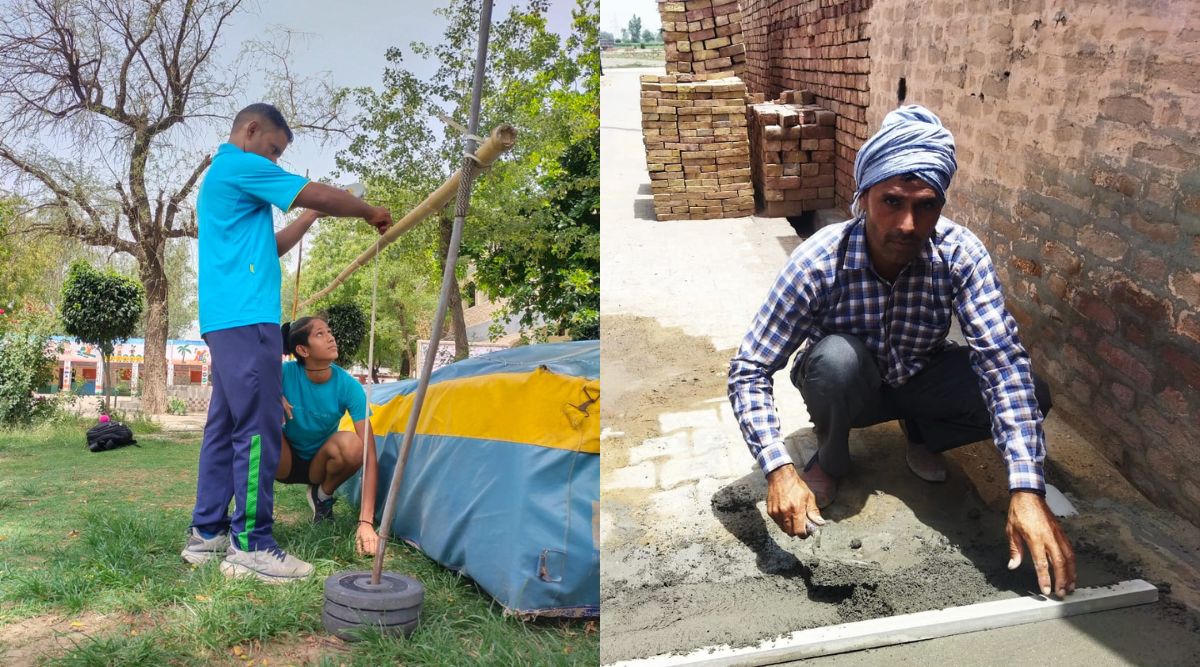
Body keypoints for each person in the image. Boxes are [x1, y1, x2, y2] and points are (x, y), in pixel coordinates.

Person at [727, 105, 1076, 599]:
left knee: (1032, 392)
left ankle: (924, 435)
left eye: (926, 205)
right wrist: (777, 468)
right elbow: (750, 368)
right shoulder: (819, 259)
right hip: (852, 384)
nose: (908, 224)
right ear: (864, 196)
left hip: (919, 371)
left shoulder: (959, 253)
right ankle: (829, 458)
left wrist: (1026, 488)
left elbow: (1002, 361)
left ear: (940, 205)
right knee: (835, 361)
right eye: (891, 201)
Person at [181, 102, 393, 583]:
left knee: (224, 425)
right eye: (273, 151)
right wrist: (367, 211)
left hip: (225, 319)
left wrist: (312, 215)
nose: (272, 162)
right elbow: (311, 190)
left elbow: (274, 243)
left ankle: (208, 534)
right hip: (248, 318)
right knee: (257, 426)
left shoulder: (224, 179)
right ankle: (253, 545)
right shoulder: (240, 164)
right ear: (251, 130)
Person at [278, 316, 381, 556]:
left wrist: (366, 522)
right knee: (259, 420)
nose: (331, 337)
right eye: (320, 334)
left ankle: (322, 495)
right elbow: (250, 380)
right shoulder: (282, 374)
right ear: (303, 350)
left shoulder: (348, 385)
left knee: (354, 446)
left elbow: (369, 453)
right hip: (283, 460)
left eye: (329, 331)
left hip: (319, 465)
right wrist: (272, 395)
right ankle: (255, 511)